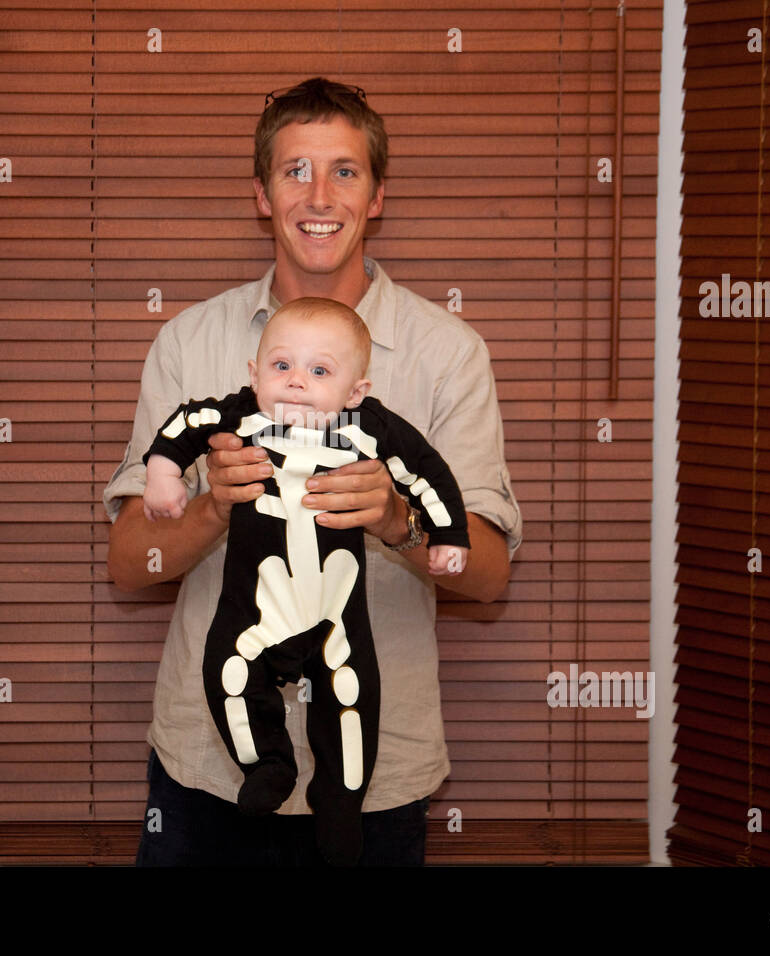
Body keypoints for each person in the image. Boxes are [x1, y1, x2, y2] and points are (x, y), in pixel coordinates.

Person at [103, 77, 523, 866]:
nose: (318, 195)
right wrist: (211, 507)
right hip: (207, 771)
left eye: (345, 170)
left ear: (378, 194)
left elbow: (489, 577)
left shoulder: (449, 354)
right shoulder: (190, 343)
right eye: (295, 170)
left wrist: (399, 522)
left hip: (378, 775)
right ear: (262, 194)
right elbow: (129, 564)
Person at [140, 296, 471, 864]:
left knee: (352, 700)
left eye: (319, 372)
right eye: (281, 366)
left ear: (355, 391)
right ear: (254, 373)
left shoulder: (371, 429)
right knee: (227, 671)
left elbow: (428, 471)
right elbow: (184, 423)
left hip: (334, 614)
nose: (296, 382)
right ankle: (266, 764)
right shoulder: (240, 415)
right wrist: (163, 473)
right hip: (257, 611)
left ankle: (340, 805)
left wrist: (446, 535)